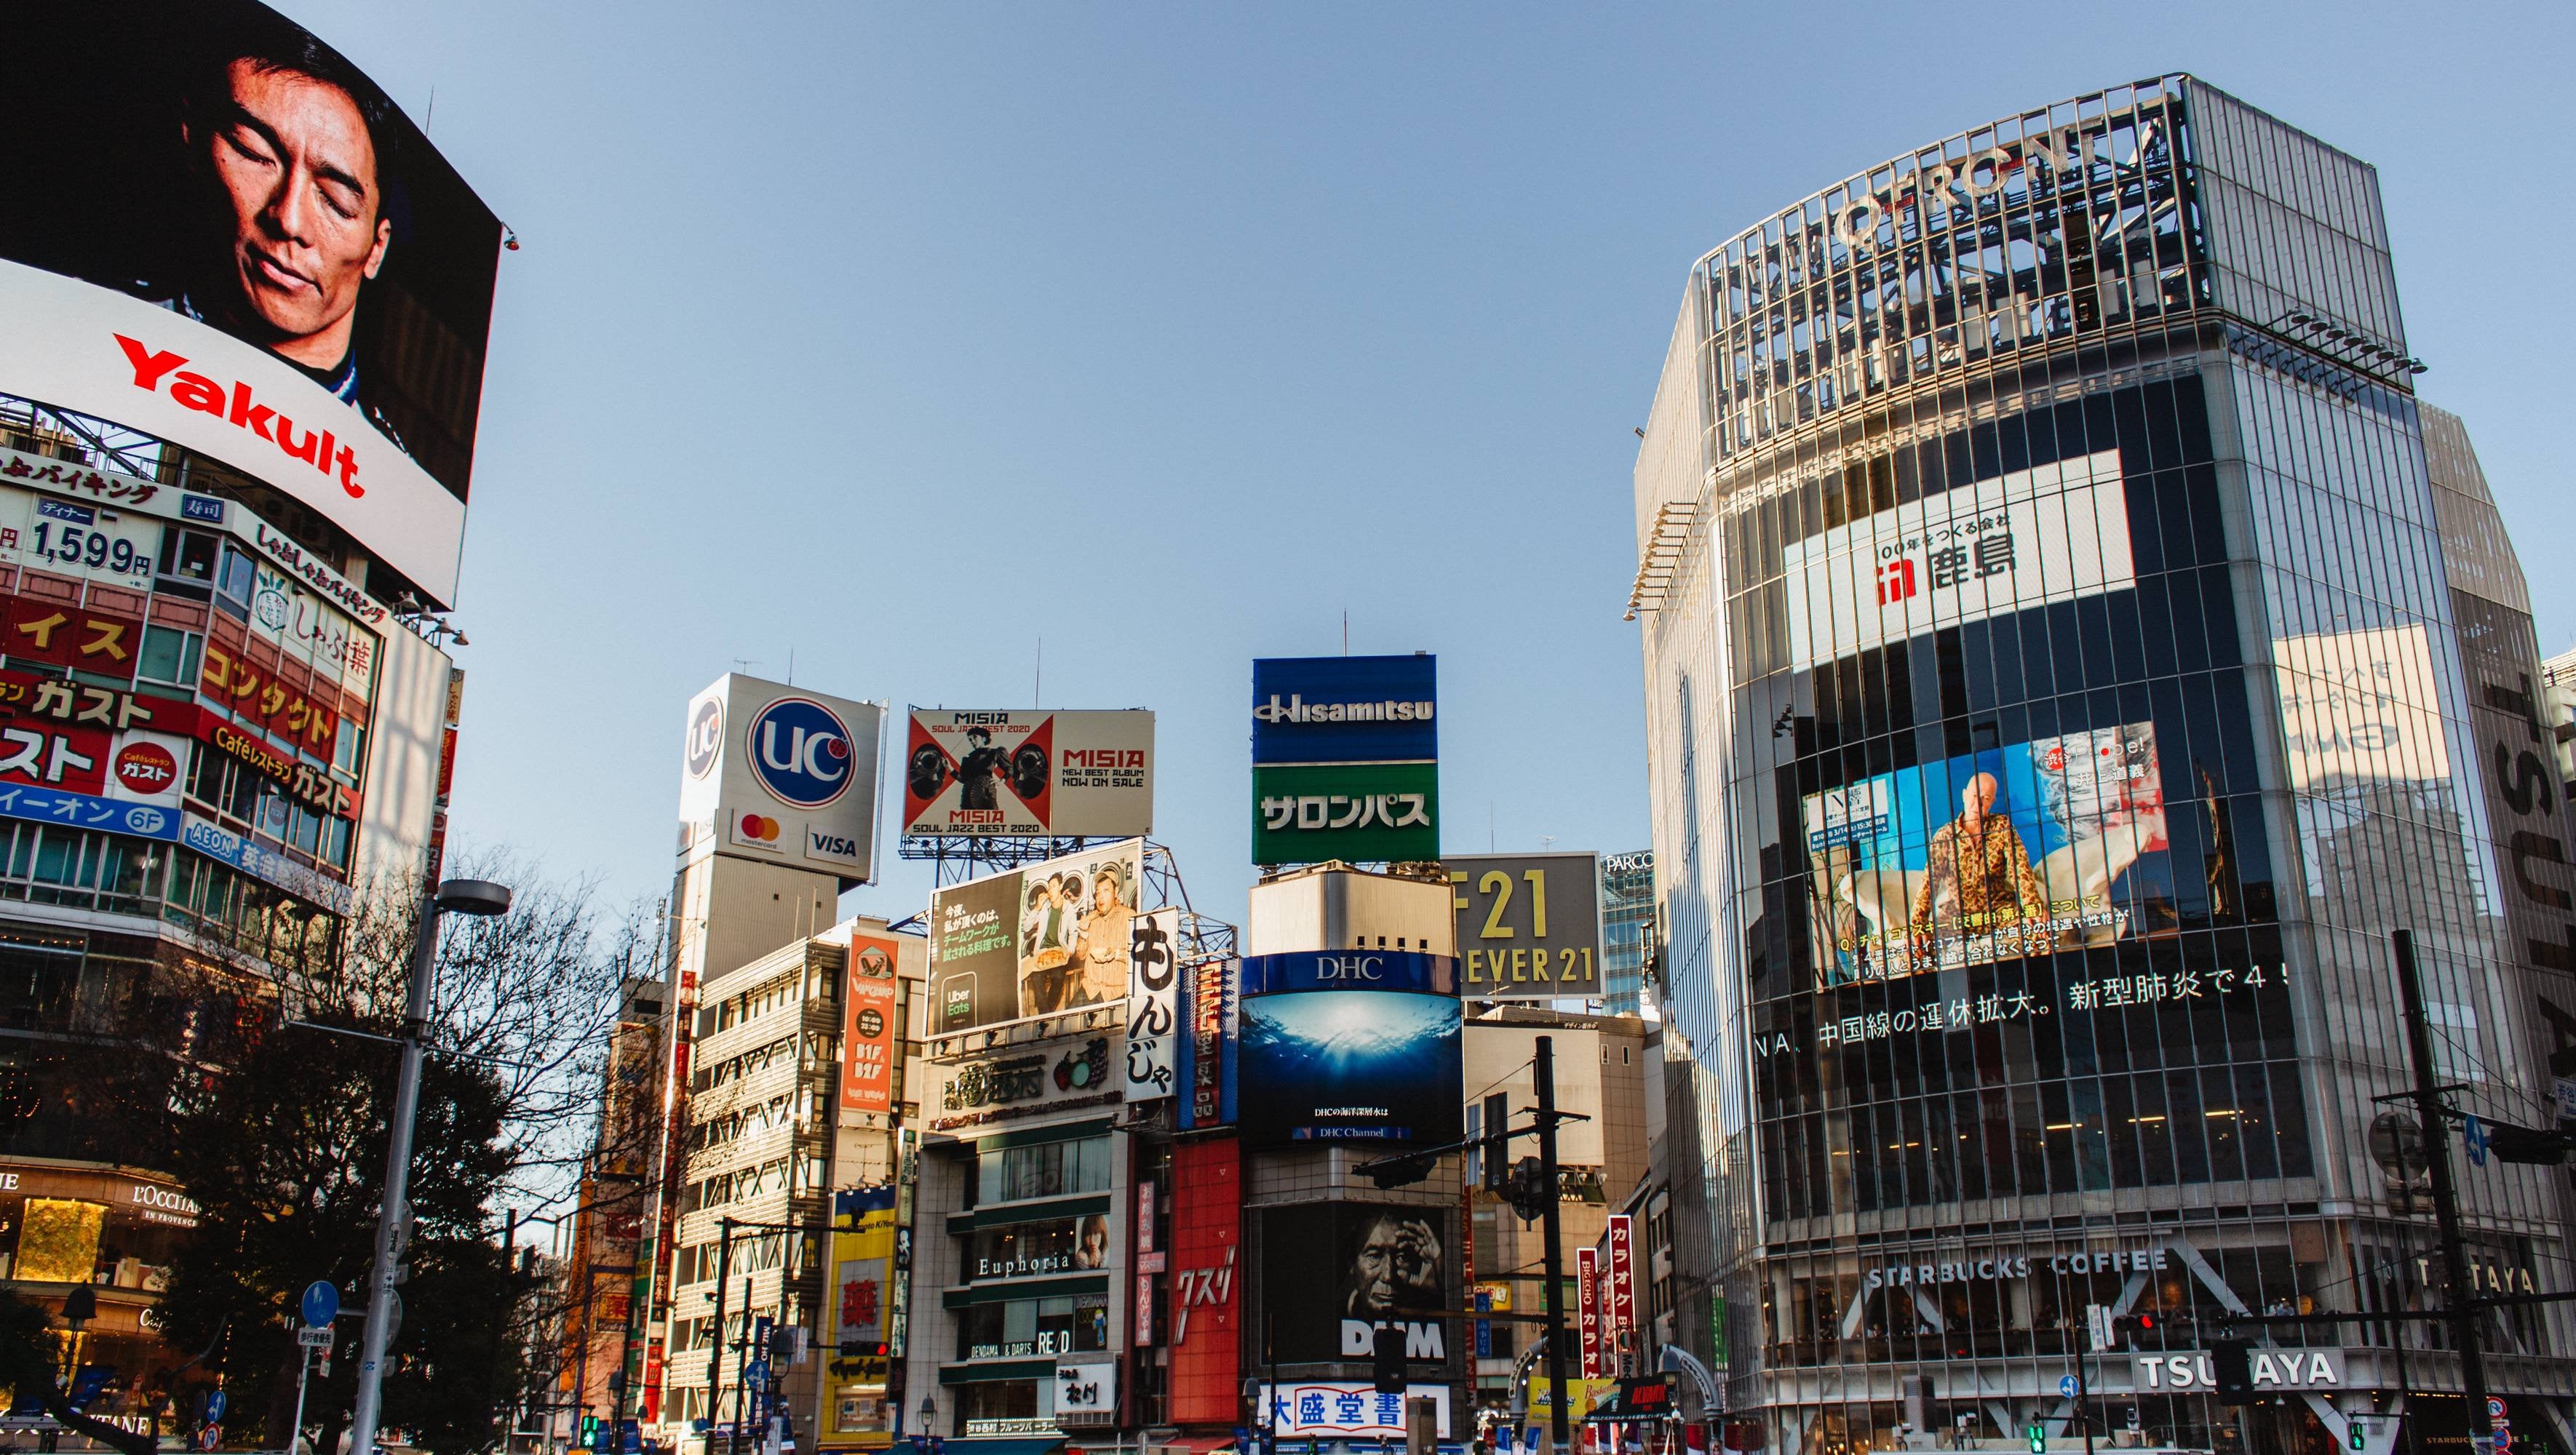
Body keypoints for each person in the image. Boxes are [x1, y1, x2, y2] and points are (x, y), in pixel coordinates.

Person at [178, 14, 398, 409]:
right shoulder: (79, 340)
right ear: (192, 138)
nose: (289, 220)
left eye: (335, 200)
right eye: (254, 153)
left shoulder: (386, 468)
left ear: (376, 249)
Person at [1909, 770, 2050, 961]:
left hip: (1999, 910)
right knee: (1920, 945)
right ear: (1964, 795)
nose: (1978, 804)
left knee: (2039, 932)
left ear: (1992, 801)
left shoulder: (2002, 826)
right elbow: (1929, 882)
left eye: (1986, 798)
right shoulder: (1945, 836)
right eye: (1975, 796)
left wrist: (2033, 906)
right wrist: (1918, 923)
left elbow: (2020, 868)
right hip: (1958, 915)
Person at [1343, 1211, 1443, 1318]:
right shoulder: (1332, 1318)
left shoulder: (1431, 1314)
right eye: (1374, 1256)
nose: (1388, 1276)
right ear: (1351, 1261)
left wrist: (1440, 1289)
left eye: (1402, 1257)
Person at [1067, 864, 1134, 1005]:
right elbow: (1080, 955)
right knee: (1065, 1024)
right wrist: (1084, 933)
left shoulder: (1129, 916)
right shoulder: (1092, 919)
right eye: (1098, 892)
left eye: (1106, 890)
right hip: (1090, 989)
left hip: (1117, 991)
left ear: (1116, 892)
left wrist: (1115, 954)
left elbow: (1138, 955)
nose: (1100, 897)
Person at [954, 727, 1009, 812]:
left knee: (990, 818)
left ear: (984, 738)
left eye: (975, 737)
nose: (972, 741)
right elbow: (963, 779)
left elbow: (1009, 768)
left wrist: (1002, 781)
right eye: (970, 739)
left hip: (986, 792)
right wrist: (949, 767)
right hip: (967, 795)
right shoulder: (967, 758)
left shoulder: (995, 752)